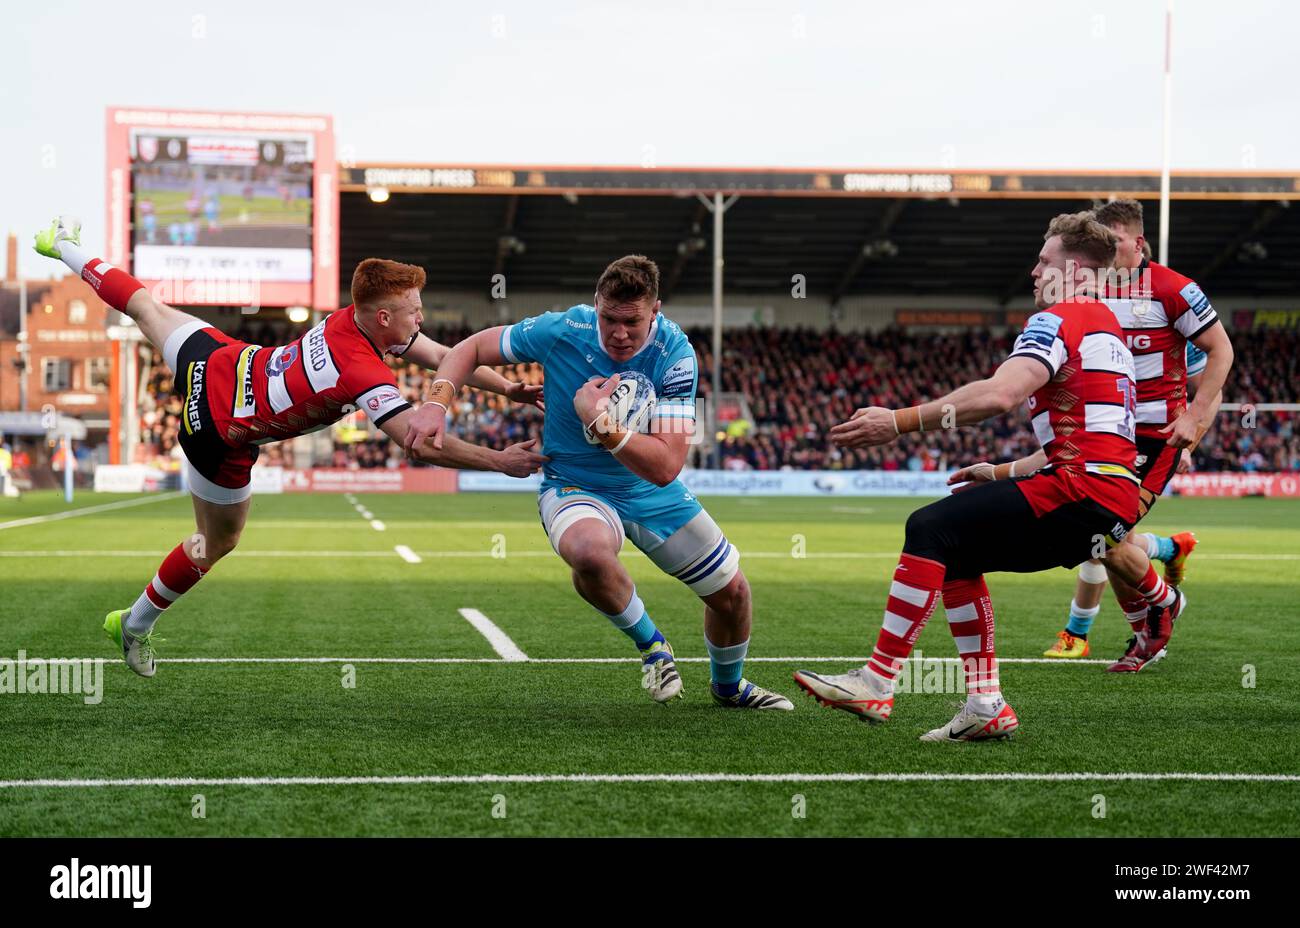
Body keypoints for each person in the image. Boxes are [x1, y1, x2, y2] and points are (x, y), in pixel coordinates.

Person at [35, 215, 546, 677]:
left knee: (144, 303)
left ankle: (64, 247)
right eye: (414, 311)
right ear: (384, 318)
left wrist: (509, 389)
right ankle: (134, 623)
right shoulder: (362, 371)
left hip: (219, 360)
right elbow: (421, 444)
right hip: (217, 431)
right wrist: (500, 461)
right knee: (215, 544)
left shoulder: (359, 319)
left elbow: (444, 355)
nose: (422, 318)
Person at [793, 213, 1183, 741]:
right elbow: (1091, 436)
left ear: (1078, 271)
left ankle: (877, 680)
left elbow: (1000, 395)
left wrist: (899, 421)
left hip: (1080, 489)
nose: (1033, 270)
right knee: (956, 553)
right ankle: (986, 704)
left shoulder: (1060, 320)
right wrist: (1000, 472)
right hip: (1110, 496)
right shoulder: (1109, 331)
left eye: (1045, 260)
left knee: (928, 527)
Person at [404, 255, 792, 710]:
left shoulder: (676, 355)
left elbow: (666, 466)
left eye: (633, 321)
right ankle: (653, 647)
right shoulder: (565, 329)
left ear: (656, 311)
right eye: (610, 319)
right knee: (588, 552)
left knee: (732, 593)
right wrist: (436, 403)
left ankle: (729, 688)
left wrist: (601, 424)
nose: (620, 333)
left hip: (650, 489)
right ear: (596, 306)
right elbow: (469, 348)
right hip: (574, 484)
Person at [1038, 199, 1233, 670]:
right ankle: (1153, 611)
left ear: (1138, 242)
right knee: (1100, 537)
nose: (1107, 249)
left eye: (1116, 240)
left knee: (1104, 533)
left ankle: (1153, 612)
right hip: (1098, 431)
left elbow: (1220, 355)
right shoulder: (1088, 291)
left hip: (1152, 436)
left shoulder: (1173, 290)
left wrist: (1194, 423)